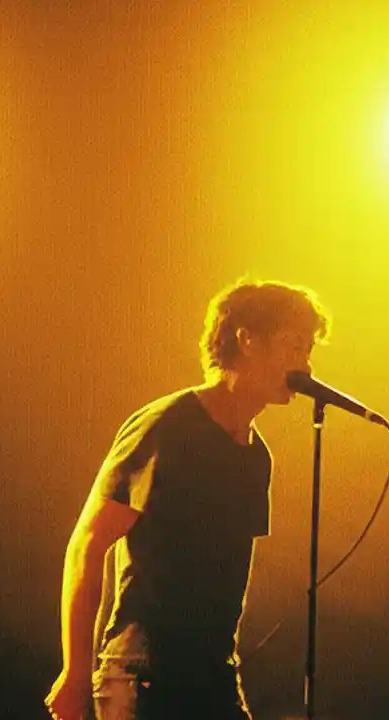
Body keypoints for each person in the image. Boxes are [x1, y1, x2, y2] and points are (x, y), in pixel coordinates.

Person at [45, 279, 330, 720]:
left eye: (308, 350)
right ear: (247, 340)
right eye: (295, 347)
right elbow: (88, 544)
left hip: (214, 677)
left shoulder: (257, 457)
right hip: (145, 672)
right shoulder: (167, 427)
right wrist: (76, 672)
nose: (306, 366)